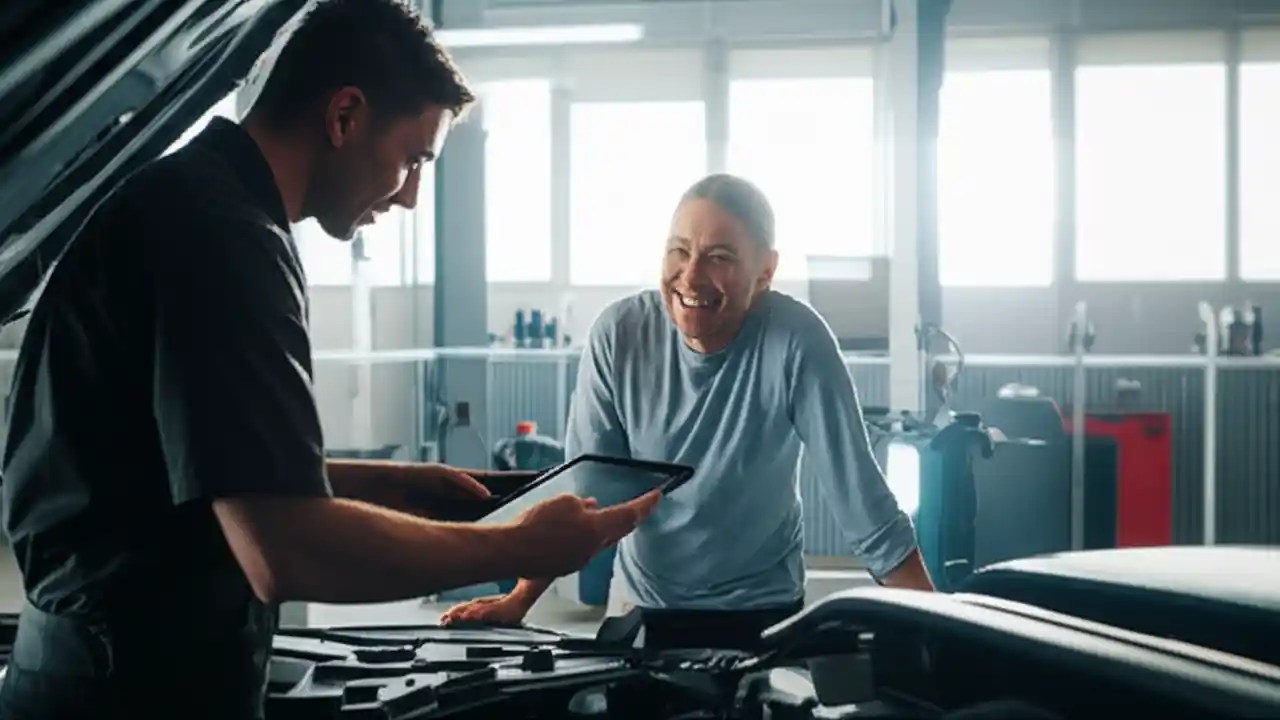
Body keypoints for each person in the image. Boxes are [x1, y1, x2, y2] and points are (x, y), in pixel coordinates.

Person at [0, 2, 657, 718]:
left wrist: (394, 486)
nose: (410, 195)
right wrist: (518, 547)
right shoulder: (225, 242)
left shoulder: (192, 203)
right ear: (344, 115)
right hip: (126, 694)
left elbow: (190, 474)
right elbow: (284, 549)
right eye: (413, 159)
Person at [442, 173, 934, 647]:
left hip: (759, 613)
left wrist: (944, 632)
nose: (691, 274)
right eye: (679, 250)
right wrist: (521, 598)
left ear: (764, 271)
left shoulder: (796, 340)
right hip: (640, 608)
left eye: (719, 256)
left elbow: (864, 505)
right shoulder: (619, 335)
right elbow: (587, 491)